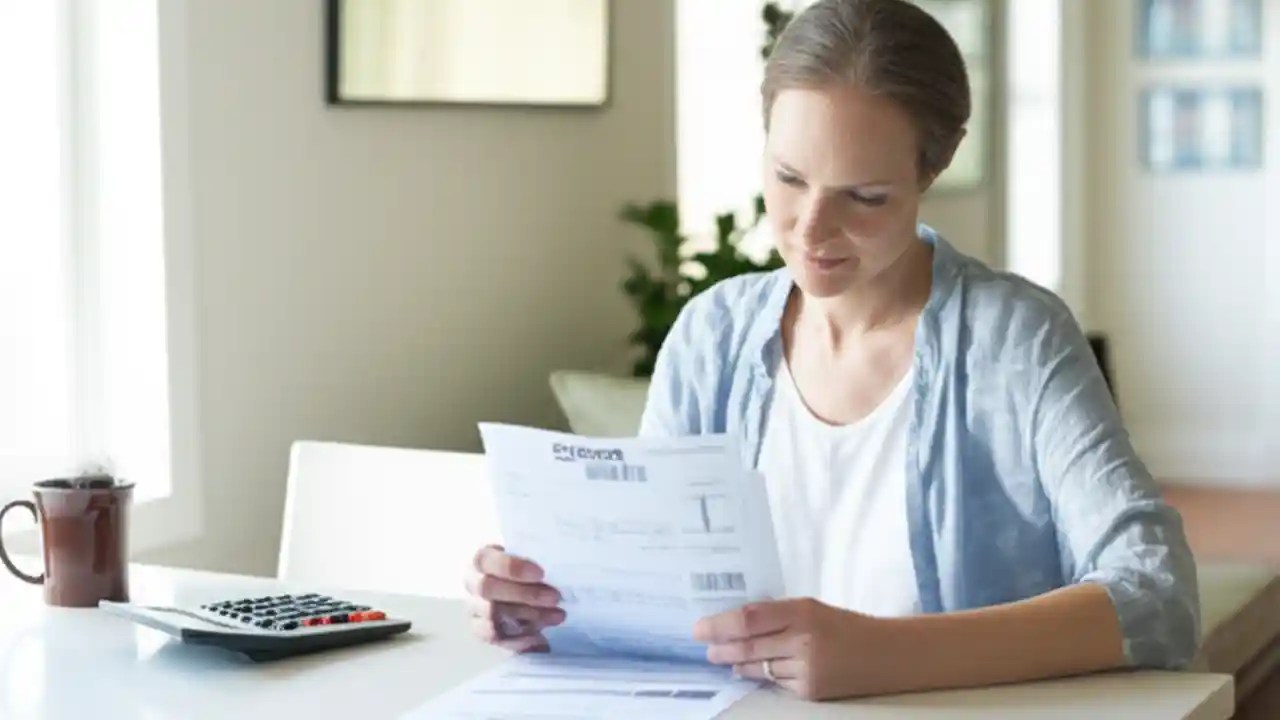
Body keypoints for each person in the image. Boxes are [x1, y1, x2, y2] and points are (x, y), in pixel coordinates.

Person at [464, 0, 1200, 702]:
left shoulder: (1018, 343)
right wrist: (551, 611)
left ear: (930, 170)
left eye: (866, 197)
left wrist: (885, 653)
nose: (812, 230)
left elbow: (1158, 596)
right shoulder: (710, 335)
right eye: (788, 178)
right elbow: (662, 597)